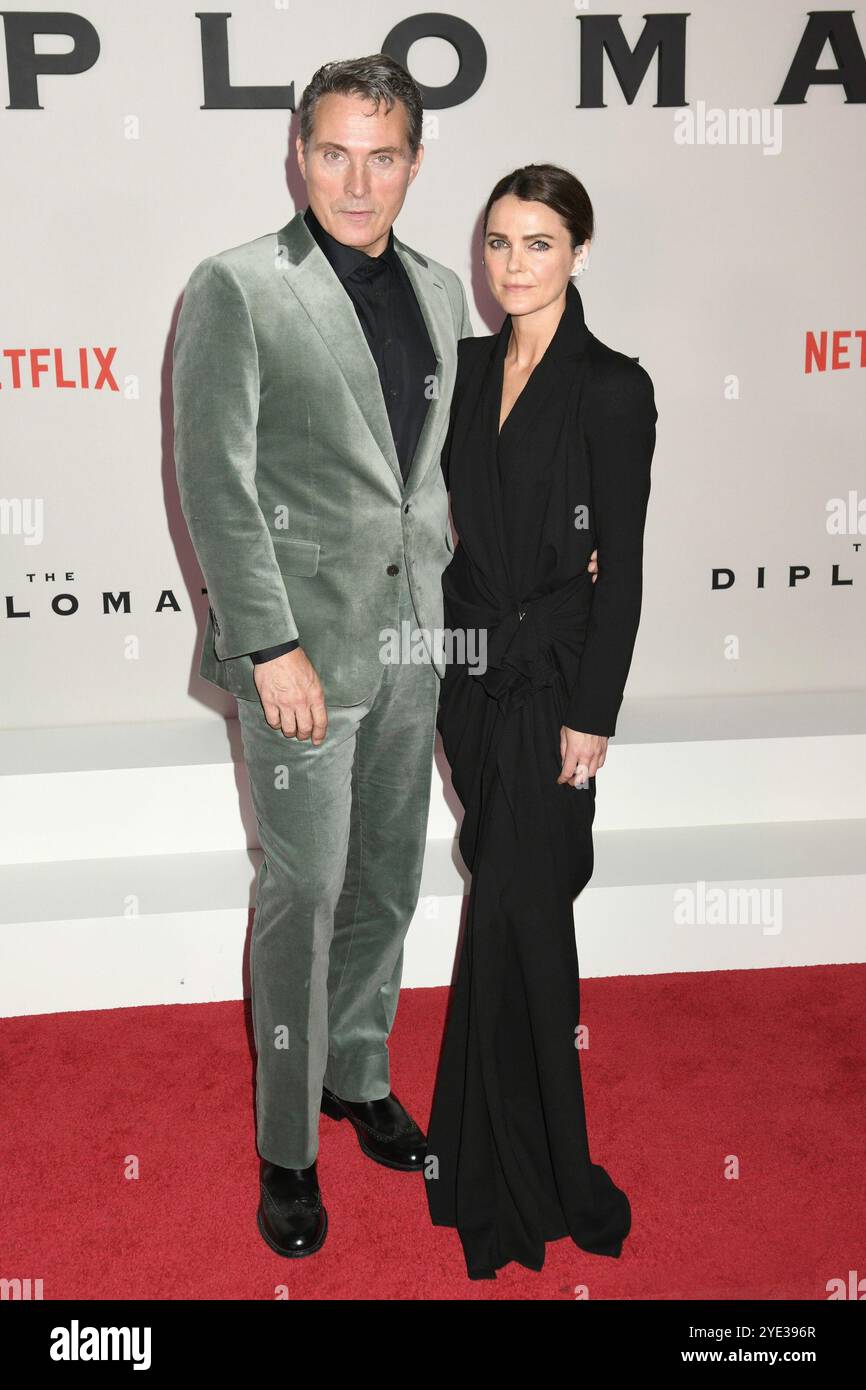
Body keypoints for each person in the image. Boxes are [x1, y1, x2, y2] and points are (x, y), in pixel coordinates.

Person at [172, 54, 474, 1258]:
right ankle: (286, 1148)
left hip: (413, 645)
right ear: (297, 152)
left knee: (388, 879)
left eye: (383, 154)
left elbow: (434, 481)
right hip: (298, 655)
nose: (357, 179)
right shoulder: (238, 287)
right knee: (299, 895)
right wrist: (269, 645)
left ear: (414, 161)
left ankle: (357, 1073)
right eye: (334, 151)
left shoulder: (447, 289)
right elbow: (216, 483)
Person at [424, 164, 658, 1280]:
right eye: (499, 244)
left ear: (577, 253)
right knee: (500, 910)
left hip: (554, 678)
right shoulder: (465, 373)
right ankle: (478, 1155)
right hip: (470, 672)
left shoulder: (612, 387)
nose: (512, 266)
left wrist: (592, 713)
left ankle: (546, 1173)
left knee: (526, 910)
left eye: (538, 244)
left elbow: (626, 571)